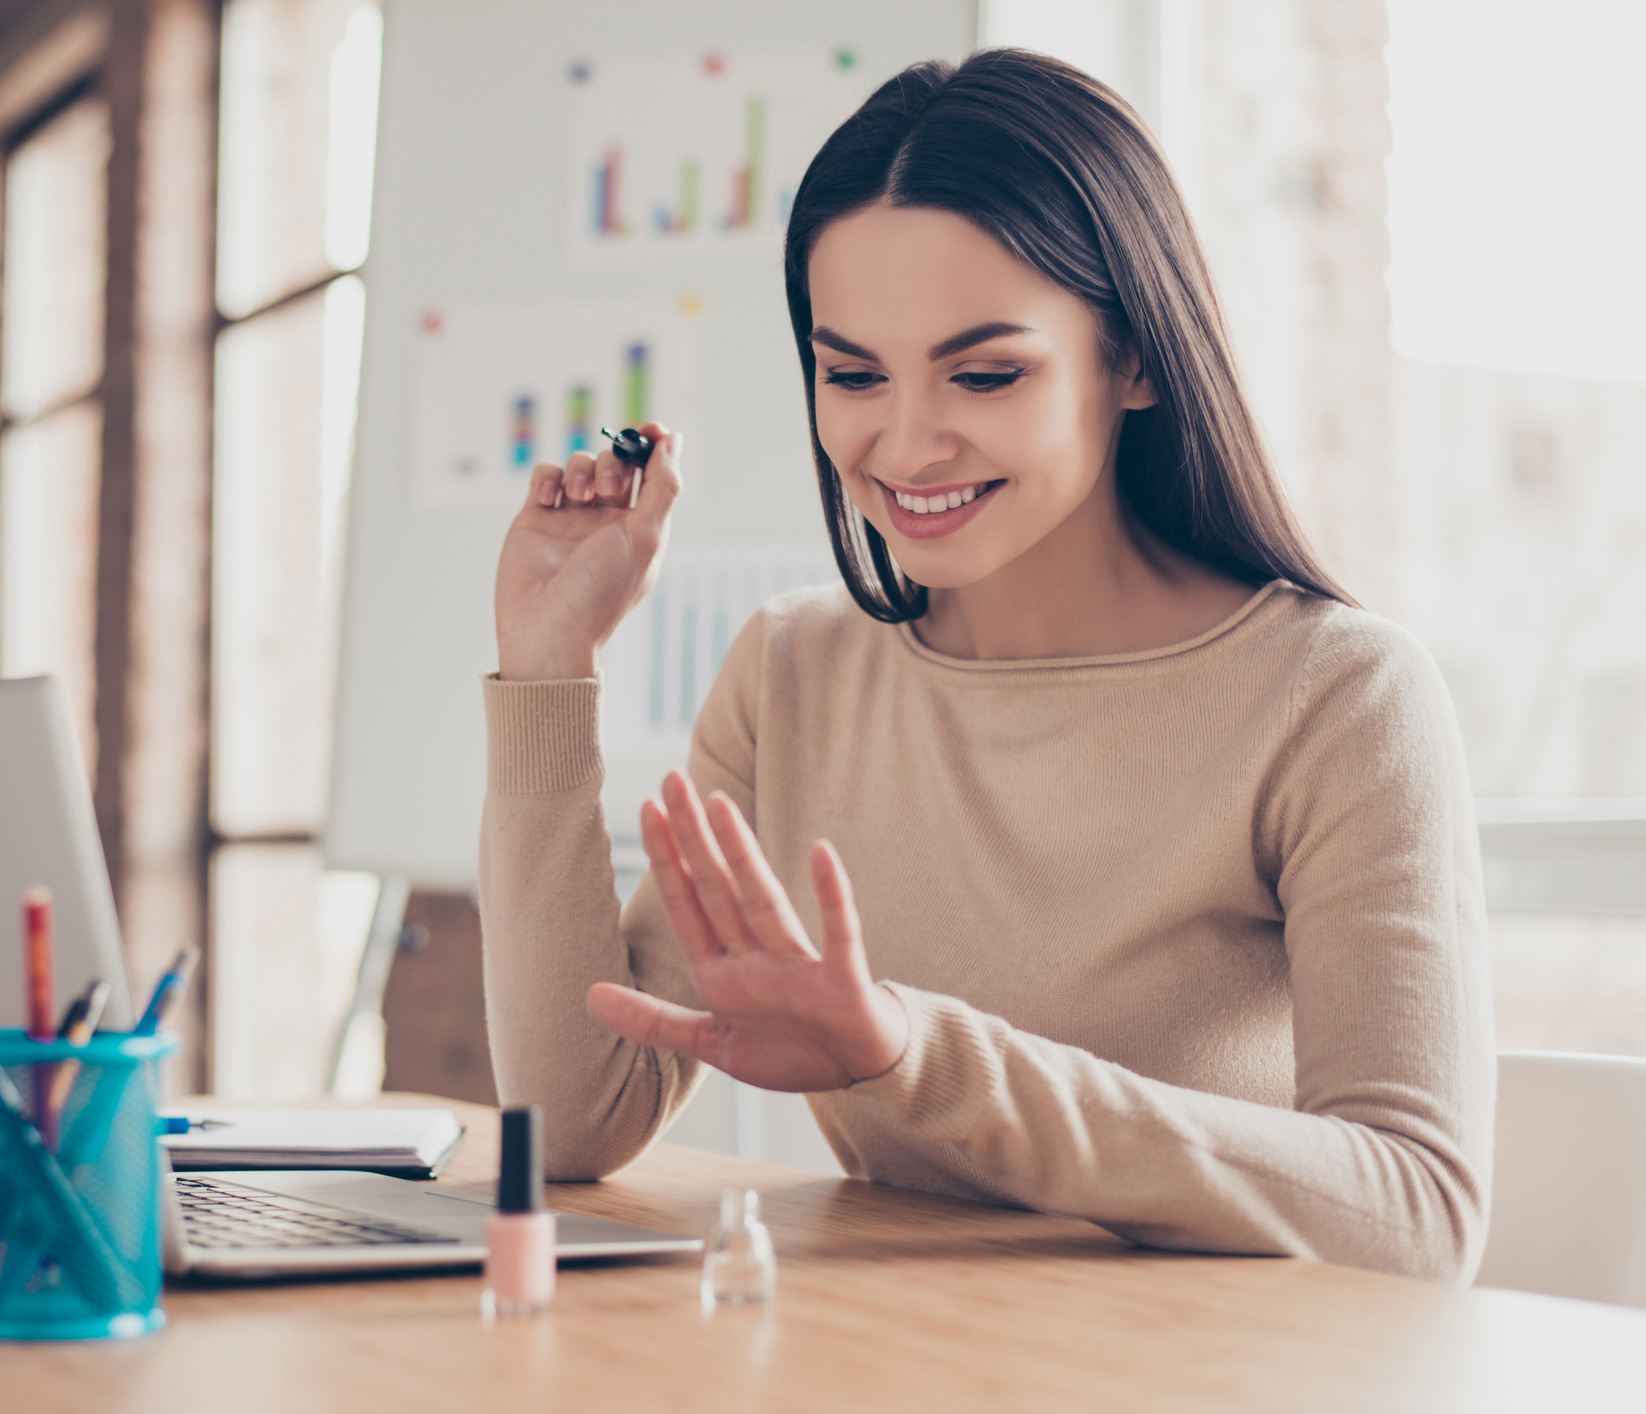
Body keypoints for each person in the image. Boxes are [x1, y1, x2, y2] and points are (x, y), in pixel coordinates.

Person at [483, 49, 1494, 1281]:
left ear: (1130, 359)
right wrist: (545, 670)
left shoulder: (1336, 698)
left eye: (984, 372)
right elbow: (577, 1119)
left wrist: (914, 1051)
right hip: (898, 1356)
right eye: (850, 373)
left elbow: (1416, 1211)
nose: (903, 442)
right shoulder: (793, 672)